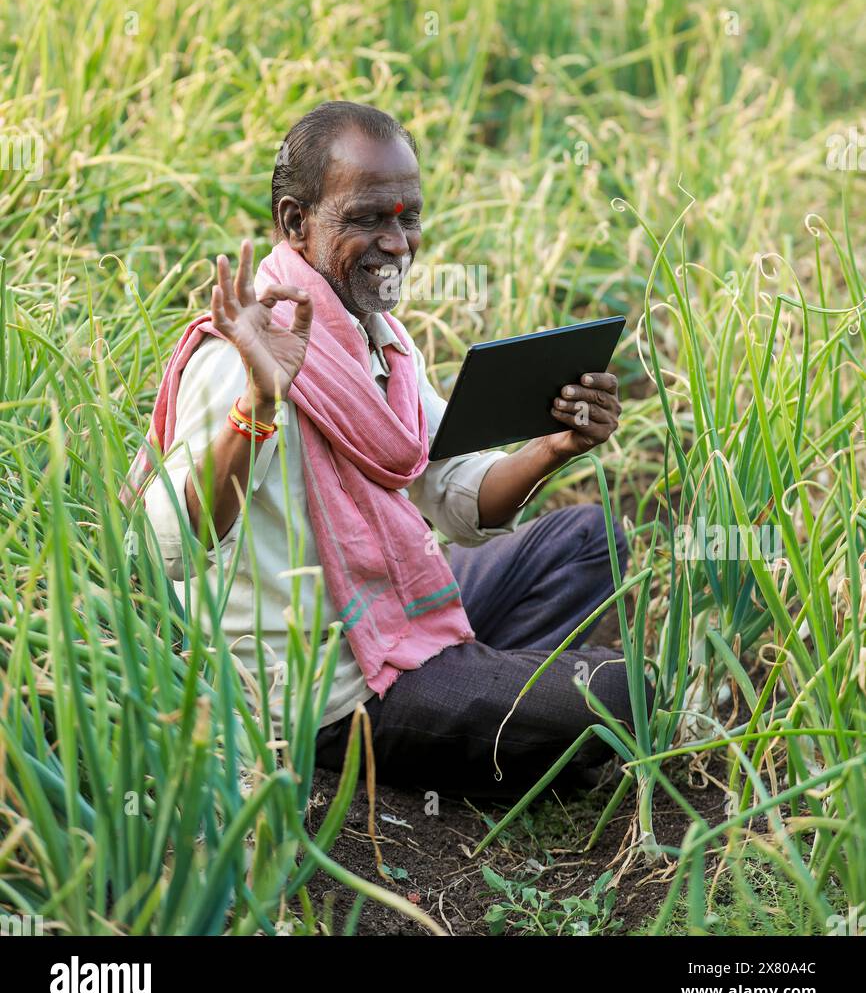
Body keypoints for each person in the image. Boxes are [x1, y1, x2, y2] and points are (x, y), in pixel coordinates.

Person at [133, 101, 646, 799]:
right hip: (326, 690)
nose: (398, 242)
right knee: (618, 690)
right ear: (295, 222)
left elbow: (458, 494)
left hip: (392, 614)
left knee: (591, 541)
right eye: (369, 218)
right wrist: (257, 403)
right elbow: (172, 544)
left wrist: (556, 447)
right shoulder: (244, 356)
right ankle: (487, 725)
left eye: (409, 217)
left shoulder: (378, 337)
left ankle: (486, 710)